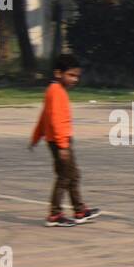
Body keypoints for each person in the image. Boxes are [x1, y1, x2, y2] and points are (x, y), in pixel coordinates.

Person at [29, 52, 100, 227]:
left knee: (72, 175)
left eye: (77, 76)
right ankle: (55, 214)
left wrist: (36, 137)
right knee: (64, 177)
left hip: (60, 141)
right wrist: (62, 146)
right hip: (60, 142)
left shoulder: (56, 91)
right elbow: (55, 120)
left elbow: (43, 117)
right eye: (71, 75)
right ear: (58, 73)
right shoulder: (56, 92)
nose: (74, 79)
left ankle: (79, 210)